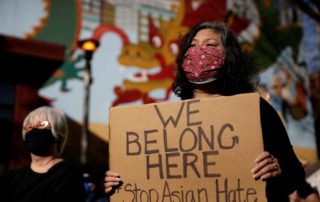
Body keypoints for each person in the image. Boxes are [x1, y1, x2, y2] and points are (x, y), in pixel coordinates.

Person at [104, 21, 308, 201]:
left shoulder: (255, 110)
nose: (199, 51)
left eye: (210, 45)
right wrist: (120, 182)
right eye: (192, 46)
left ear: (229, 56)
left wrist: (278, 169)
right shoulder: (167, 121)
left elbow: (295, 175)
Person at [0, 106, 86, 202]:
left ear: (57, 132)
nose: (34, 128)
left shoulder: (67, 175)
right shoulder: (11, 178)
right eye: (29, 126)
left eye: (42, 124)